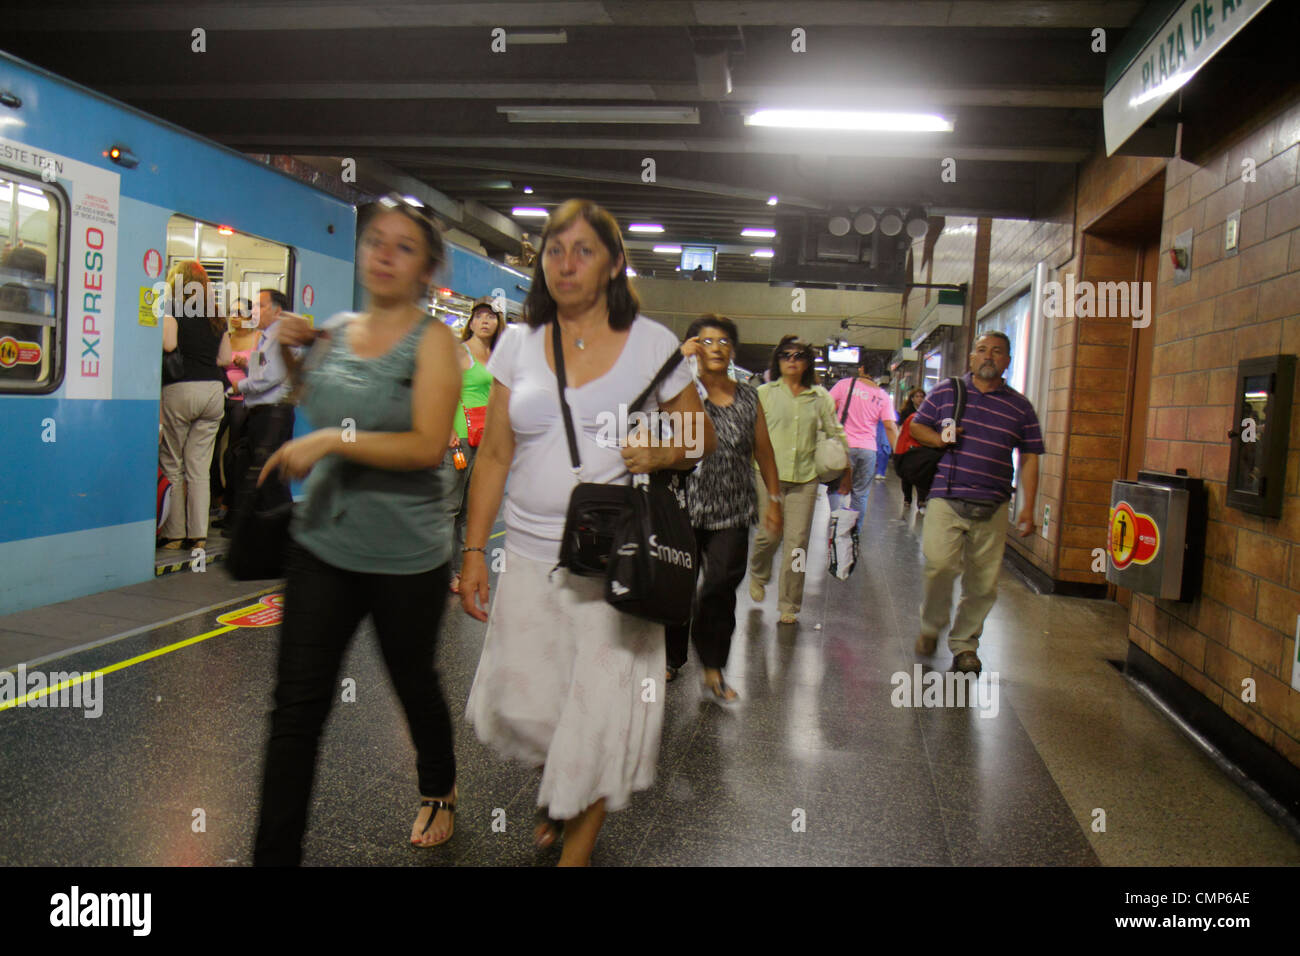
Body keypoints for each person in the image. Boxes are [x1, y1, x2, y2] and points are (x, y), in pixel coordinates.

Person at [459, 198, 714, 866]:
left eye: (584, 250)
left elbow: (701, 434)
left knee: (599, 706)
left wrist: (660, 451)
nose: (566, 264)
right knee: (533, 704)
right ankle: (559, 786)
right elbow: (494, 454)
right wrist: (472, 551)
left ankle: (576, 848)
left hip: (613, 561)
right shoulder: (517, 344)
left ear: (612, 264)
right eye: (554, 249)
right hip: (528, 553)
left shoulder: (652, 344)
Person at [252, 196, 464, 865]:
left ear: (427, 266)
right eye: (375, 240)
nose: (383, 254)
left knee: (412, 680)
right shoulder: (338, 329)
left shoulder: (435, 343)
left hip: (405, 554)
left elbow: (428, 444)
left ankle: (439, 786)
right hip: (323, 542)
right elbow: (311, 402)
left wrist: (330, 446)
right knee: (295, 713)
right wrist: (291, 357)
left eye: (403, 246)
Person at [909, 332, 1044, 674]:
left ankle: (965, 646)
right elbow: (917, 428)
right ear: (971, 358)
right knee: (940, 565)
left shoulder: (1020, 407)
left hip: (994, 505)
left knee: (982, 584)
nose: (989, 356)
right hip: (947, 497)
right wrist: (939, 439)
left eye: (997, 352)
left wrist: (1027, 507)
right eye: (982, 350)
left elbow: (1029, 457)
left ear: (1007, 361)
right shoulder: (946, 391)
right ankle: (932, 623)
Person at [666, 315, 782, 701]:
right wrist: (676, 363)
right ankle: (670, 658)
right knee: (678, 586)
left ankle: (713, 666)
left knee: (719, 587)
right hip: (682, 502)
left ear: (732, 350)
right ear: (692, 346)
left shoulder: (749, 395)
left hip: (732, 508)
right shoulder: (678, 387)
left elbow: (763, 450)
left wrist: (775, 500)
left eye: (723, 342)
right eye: (705, 340)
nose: (715, 347)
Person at [748, 336, 851, 625]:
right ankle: (758, 572)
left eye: (799, 355)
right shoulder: (764, 394)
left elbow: (835, 431)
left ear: (808, 362)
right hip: (768, 476)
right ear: (778, 360)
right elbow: (751, 434)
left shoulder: (820, 398)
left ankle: (790, 603)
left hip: (806, 479)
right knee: (769, 535)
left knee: (797, 544)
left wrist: (847, 466)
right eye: (786, 355)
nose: (792, 360)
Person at [159, 260, 231, 550]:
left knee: (172, 462)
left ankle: (175, 535)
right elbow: (225, 359)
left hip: (181, 388)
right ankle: (198, 536)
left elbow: (167, 344)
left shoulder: (172, 307)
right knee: (199, 466)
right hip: (213, 391)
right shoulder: (215, 314)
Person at [445, 295, 503, 595]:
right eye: (479, 316)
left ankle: (466, 570)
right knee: (449, 508)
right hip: (460, 438)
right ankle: (447, 573)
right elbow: (443, 389)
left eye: (491, 316)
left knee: (472, 509)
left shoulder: (498, 355)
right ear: (471, 321)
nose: (485, 321)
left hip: (487, 439)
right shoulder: (459, 352)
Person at [230, 288, 297, 513]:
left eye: (261, 306)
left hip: (273, 414)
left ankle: (283, 534)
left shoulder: (280, 337)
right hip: (259, 413)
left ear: (277, 311)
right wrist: (246, 368)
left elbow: (271, 376)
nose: (255, 311)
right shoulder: (264, 339)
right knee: (253, 474)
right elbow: (260, 371)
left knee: (272, 478)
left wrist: (240, 386)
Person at [827, 356, 898, 532]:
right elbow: (890, 426)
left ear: (861, 369)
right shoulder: (883, 396)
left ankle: (834, 531)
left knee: (836, 489)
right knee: (860, 494)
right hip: (867, 450)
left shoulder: (845, 385)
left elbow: (825, 407)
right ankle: (853, 534)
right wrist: (899, 452)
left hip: (843, 448)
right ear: (879, 375)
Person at [211, 298, 260, 526]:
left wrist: (245, 365)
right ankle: (217, 493)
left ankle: (230, 502)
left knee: (233, 453)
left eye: (240, 312)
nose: (234, 316)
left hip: (244, 400)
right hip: (222, 397)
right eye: (232, 312)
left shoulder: (257, 339)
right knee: (212, 449)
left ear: (250, 317)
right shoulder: (226, 338)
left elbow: (263, 372)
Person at [894, 386, 928, 515]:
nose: (920, 399)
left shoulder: (928, 411)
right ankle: (908, 498)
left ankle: (921, 500)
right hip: (907, 446)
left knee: (921, 473)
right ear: (912, 398)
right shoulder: (907, 412)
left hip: (921, 446)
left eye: (922, 396)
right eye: (917, 396)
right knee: (907, 474)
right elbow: (901, 429)